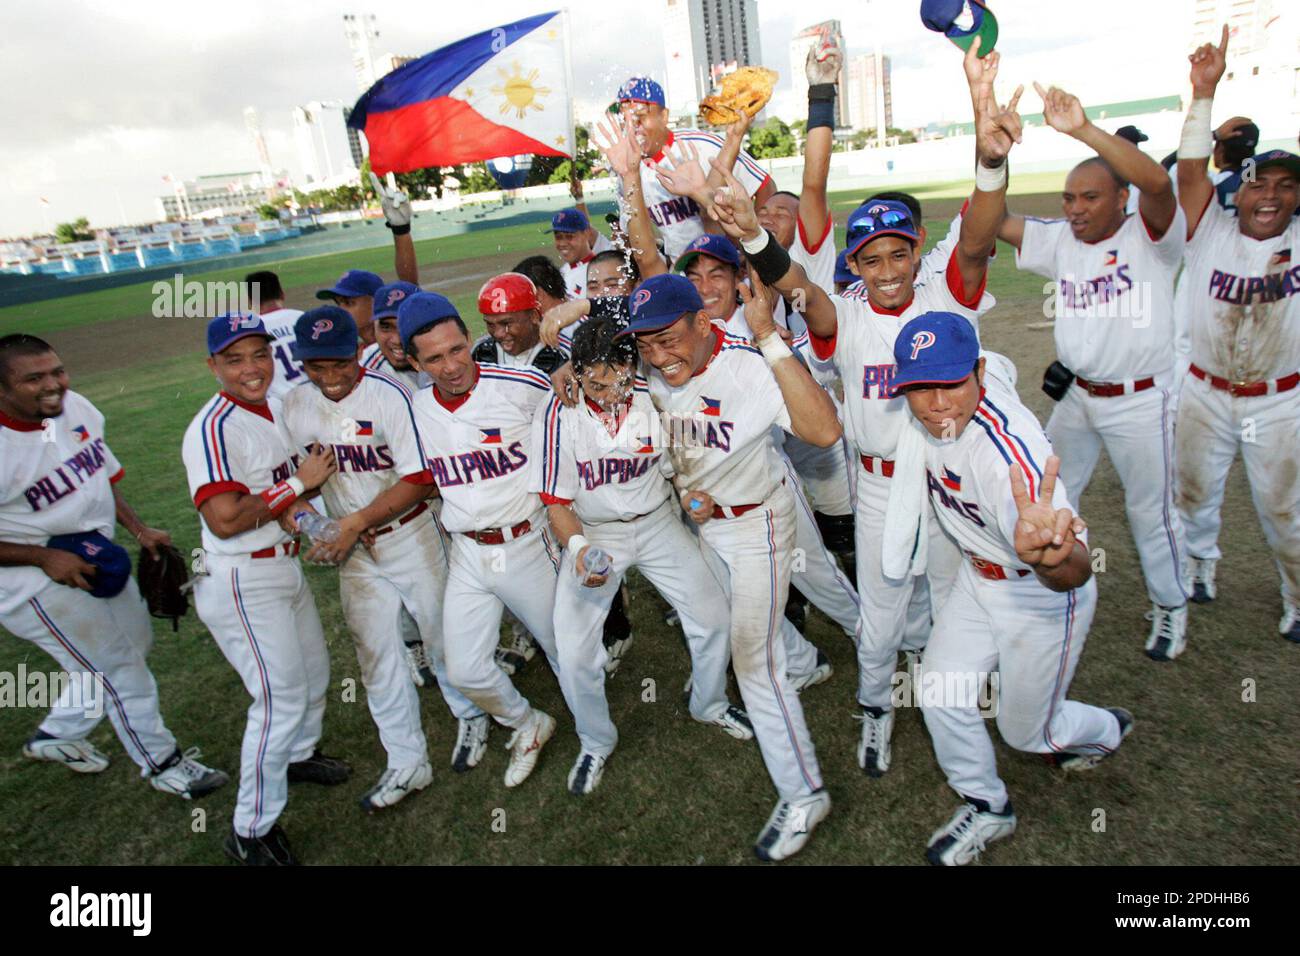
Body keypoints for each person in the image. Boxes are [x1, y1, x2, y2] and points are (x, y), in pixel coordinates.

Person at [715, 36, 1011, 778]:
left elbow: (976, 235)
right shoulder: (842, 311)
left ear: (916, 253)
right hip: (878, 481)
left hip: (952, 474)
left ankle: (949, 689)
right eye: (869, 258)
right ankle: (876, 706)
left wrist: (989, 148)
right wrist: (752, 234)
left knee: (950, 596)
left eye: (897, 253)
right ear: (856, 264)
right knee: (880, 615)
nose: (885, 270)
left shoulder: (947, 291)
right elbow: (799, 290)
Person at [890, 311, 1132, 866]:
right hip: (982, 578)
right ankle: (987, 805)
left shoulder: (1008, 458)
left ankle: (1103, 729)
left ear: (976, 372)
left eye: (950, 382)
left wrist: (1049, 555)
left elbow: (1074, 568)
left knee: (1027, 733)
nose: (937, 402)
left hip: (1041, 594)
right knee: (940, 691)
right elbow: (997, 362)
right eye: (919, 387)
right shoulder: (969, 384)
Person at [620, 271, 842, 861]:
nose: (658, 355)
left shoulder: (747, 362)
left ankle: (805, 793)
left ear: (703, 321)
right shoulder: (654, 366)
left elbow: (824, 430)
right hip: (706, 520)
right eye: (645, 344)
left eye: (669, 339)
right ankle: (809, 661)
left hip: (759, 525)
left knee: (753, 661)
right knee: (735, 614)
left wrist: (772, 340)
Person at [998, 82, 1191, 661]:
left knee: (1149, 511)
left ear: (1121, 199)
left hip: (1141, 399)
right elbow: (995, 221)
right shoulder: (1062, 240)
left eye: (1089, 197)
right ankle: (1052, 588)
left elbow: (1160, 183)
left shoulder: (1151, 236)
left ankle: (1170, 605)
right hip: (1077, 398)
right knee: (1051, 493)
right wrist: (996, 153)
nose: (1075, 209)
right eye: (1068, 198)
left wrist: (1081, 128)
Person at [0, 334, 228, 798]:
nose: (53, 384)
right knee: (119, 667)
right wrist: (42, 556)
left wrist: (138, 528)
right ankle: (163, 764)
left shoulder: (76, 408)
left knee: (132, 646)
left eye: (56, 371)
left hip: (94, 555)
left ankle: (58, 733)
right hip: (29, 580)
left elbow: (99, 476)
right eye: (33, 378)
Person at [534, 313, 753, 795]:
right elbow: (555, 499)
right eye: (590, 376)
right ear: (575, 371)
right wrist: (578, 548)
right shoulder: (560, 410)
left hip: (656, 524)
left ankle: (710, 702)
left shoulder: (653, 394)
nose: (602, 387)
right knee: (572, 651)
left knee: (714, 616)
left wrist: (693, 494)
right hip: (595, 533)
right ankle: (595, 740)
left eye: (612, 374)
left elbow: (680, 468)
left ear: (628, 365)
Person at [281, 306, 487, 803]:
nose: (329, 377)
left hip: (409, 534)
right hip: (354, 547)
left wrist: (355, 523)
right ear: (301, 363)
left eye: (338, 362)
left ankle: (471, 715)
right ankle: (406, 759)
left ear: (358, 349)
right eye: (316, 367)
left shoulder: (391, 395)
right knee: (376, 656)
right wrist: (318, 526)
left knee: (441, 635)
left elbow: (421, 479)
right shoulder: (294, 405)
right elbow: (292, 484)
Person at [180, 313, 348, 865]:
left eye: (258, 354)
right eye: (235, 359)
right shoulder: (213, 428)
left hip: (280, 563)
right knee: (277, 699)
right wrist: (303, 483)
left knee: (314, 673)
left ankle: (297, 756)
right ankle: (249, 830)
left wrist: (310, 520)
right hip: (241, 576)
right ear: (213, 367)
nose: (251, 368)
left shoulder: (272, 408)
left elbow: (275, 496)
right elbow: (226, 519)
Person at [399, 292, 562, 789]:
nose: (450, 366)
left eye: (456, 349)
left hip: (527, 541)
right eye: (433, 358)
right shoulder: (418, 407)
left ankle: (599, 736)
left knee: (570, 655)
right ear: (414, 362)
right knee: (465, 668)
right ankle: (527, 722)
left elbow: (571, 433)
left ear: (471, 339)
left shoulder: (523, 385)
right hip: (469, 551)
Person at [1174, 25, 1300, 644]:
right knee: (1194, 494)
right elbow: (1191, 171)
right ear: (1241, 188)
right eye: (1261, 183)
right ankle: (1200, 565)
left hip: (1279, 398)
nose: (1271, 195)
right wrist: (1204, 92)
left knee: (1285, 513)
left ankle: (1297, 598)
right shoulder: (1209, 231)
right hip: (1205, 391)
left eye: (1286, 186)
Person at [613, 76, 774, 260]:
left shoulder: (702, 145)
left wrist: (758, 251)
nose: (632, 126)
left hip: (724, 265)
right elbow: (637, 237)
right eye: (624, 118)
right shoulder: (626, 171)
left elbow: (765, 186)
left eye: (640, 117)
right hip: (681, 270)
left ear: (664, 116)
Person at [244, 270, 305, 405]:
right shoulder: (303, 318)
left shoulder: (249, 332)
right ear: (282, 293)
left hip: (283, 408)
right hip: (323, 397)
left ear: (251, 301)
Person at [363, 280, 427, 392]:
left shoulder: (450, 356)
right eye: (386, 327)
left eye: (407, 325)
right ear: (374, 328)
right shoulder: (364, 377)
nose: (397, 340)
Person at [546, 207, 613, 299]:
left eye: (569, 236)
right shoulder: (562, 271)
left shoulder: (598, 272)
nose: (563, 243)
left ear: (587, 233)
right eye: (558, 237)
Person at [316, 270, 385, 347]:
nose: (340, 310)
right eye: (338, 303)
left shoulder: (398, 350)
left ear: (376, 303)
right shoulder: (356, 353)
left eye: (348, 303)